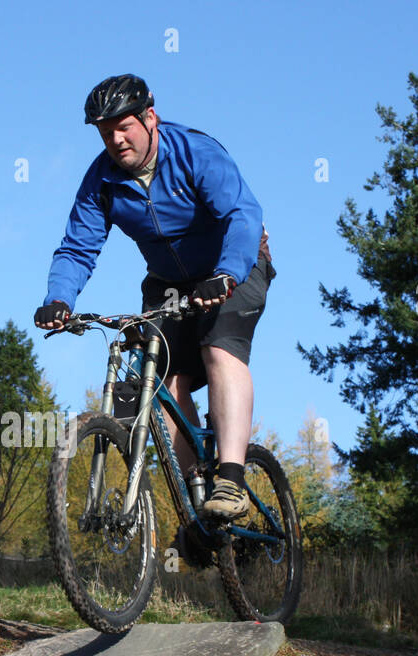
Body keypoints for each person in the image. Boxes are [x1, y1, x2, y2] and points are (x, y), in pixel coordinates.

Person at [34, 73, 275, 525]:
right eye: (106, 133)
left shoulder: (194, 153)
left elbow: (242, 214)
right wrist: (58, 299)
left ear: (150, 118)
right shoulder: (101, 180)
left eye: (124, 127)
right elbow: (77, 247)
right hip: (168, 282)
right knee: (158, 380)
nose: (116, 140)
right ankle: (197, 504)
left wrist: (225, 275)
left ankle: (231, 479)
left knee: (219, 348)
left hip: (236, 264)